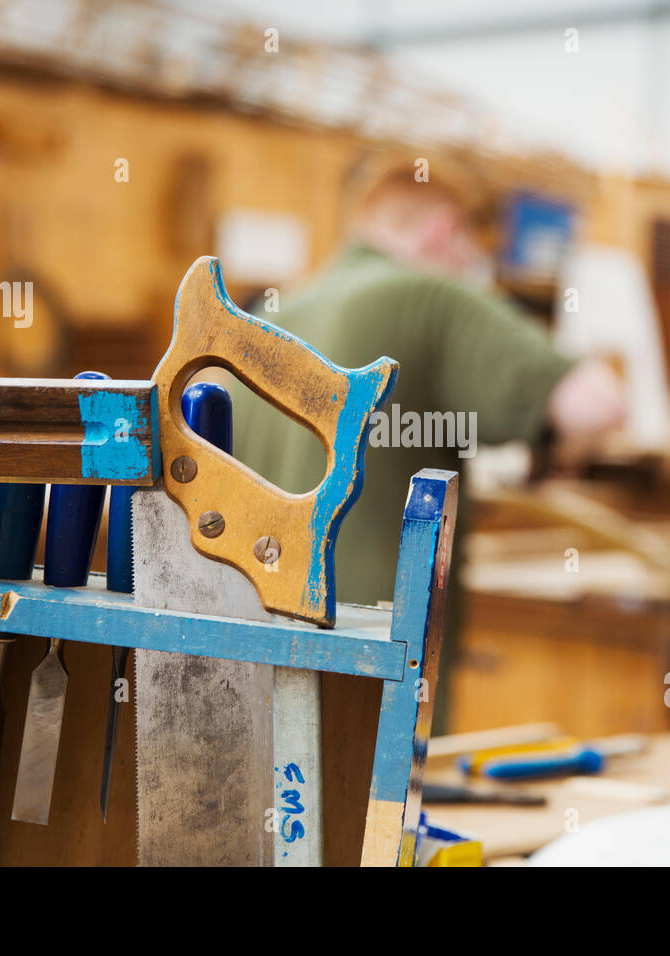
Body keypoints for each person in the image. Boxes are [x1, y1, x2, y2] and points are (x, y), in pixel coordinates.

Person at [229, 156, 626, 724]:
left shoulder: (265, 323)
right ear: (443, 230)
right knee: (389, 812)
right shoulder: (430, 296)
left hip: (258, 668)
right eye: (469, 250)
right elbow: (597, 405)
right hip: (382, 675)